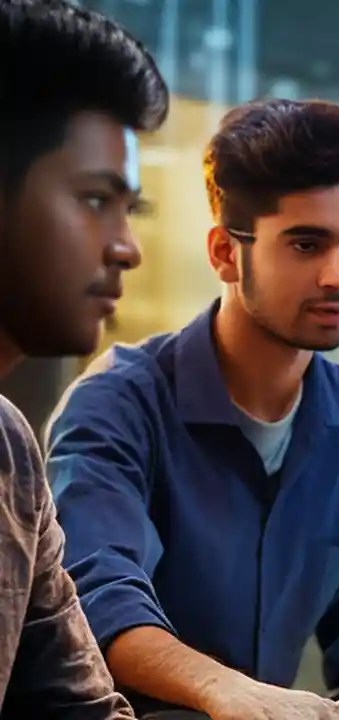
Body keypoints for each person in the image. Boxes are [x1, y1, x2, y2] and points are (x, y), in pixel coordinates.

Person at [44, 98, 339, 720]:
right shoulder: (116, 407)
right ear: (225, 253)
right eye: (307, 244)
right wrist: (224, 690)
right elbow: (97, 595)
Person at [0, 0, 168, 716]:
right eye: (95, 199)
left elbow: (80, 709)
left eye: (129, 210)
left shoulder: (11, 452)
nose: (125, 246)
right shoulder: (124, 399)